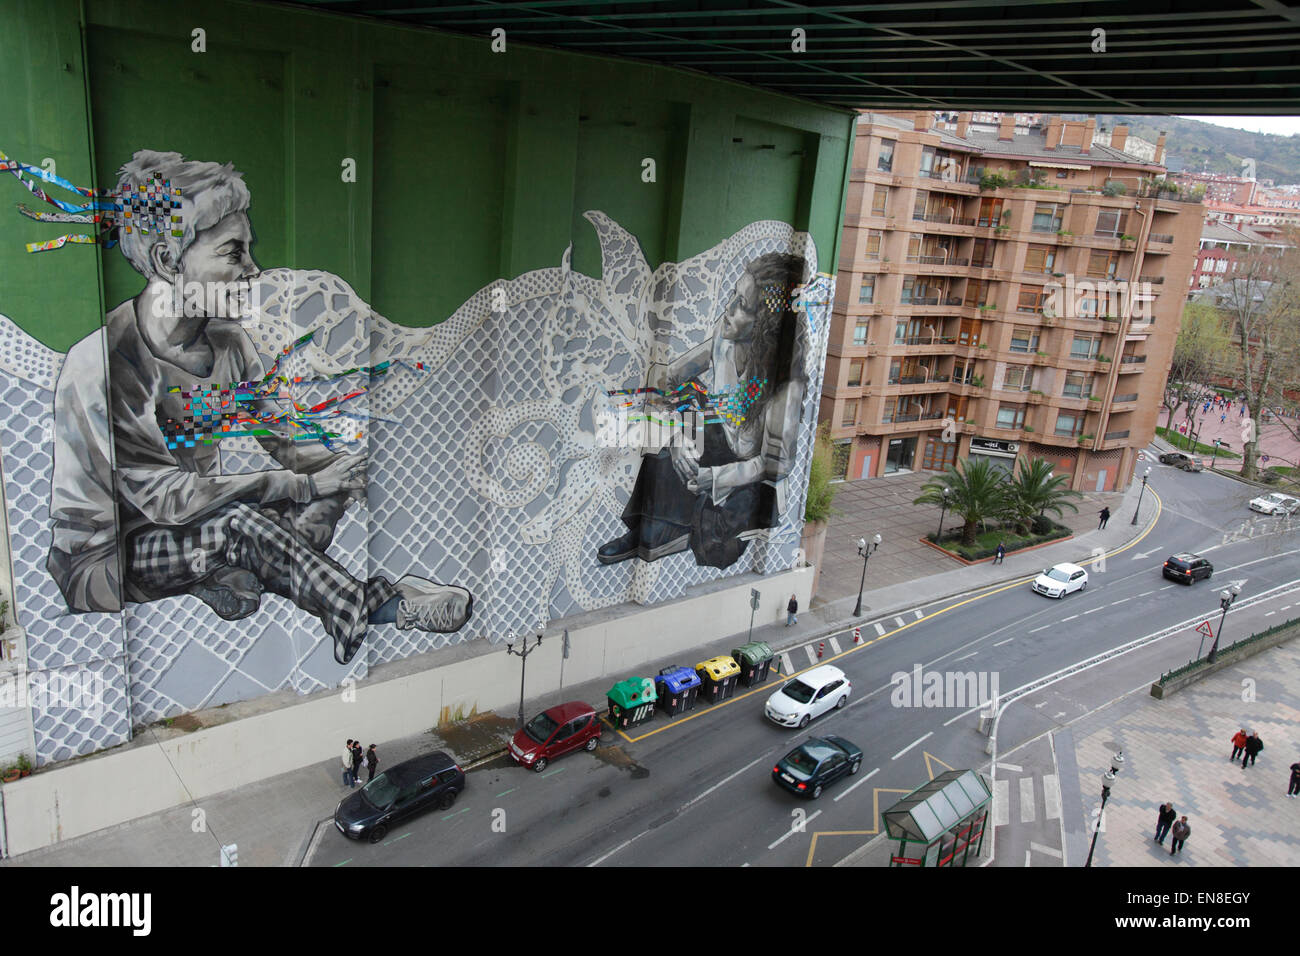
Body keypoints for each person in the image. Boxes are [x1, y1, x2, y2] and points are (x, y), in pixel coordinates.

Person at [44, 150, 473, 667]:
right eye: (233, 254)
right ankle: (369, 602)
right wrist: (301, 484)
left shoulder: (228, 344)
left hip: (195, 524)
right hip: (106, 560)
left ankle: (230, 576)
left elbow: (286, 438)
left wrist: (336, 472)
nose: (254, 269)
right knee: (241, 524)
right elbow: (165, 500)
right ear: (165, 261)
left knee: (310, 497)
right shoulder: (105, 364)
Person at [596, 252, 810, 570]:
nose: (729, 310)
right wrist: (676, 434)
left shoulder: (786, 384)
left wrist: (710, 477)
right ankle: (644, 530)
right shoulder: (724, 337)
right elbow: (667, 378)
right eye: (733, 296)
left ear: (766, 324)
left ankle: (682, 526)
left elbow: (773, 467)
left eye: (742, 305)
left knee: (716, 543)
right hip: (722, 437)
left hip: (748, 473)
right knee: (673, 428)